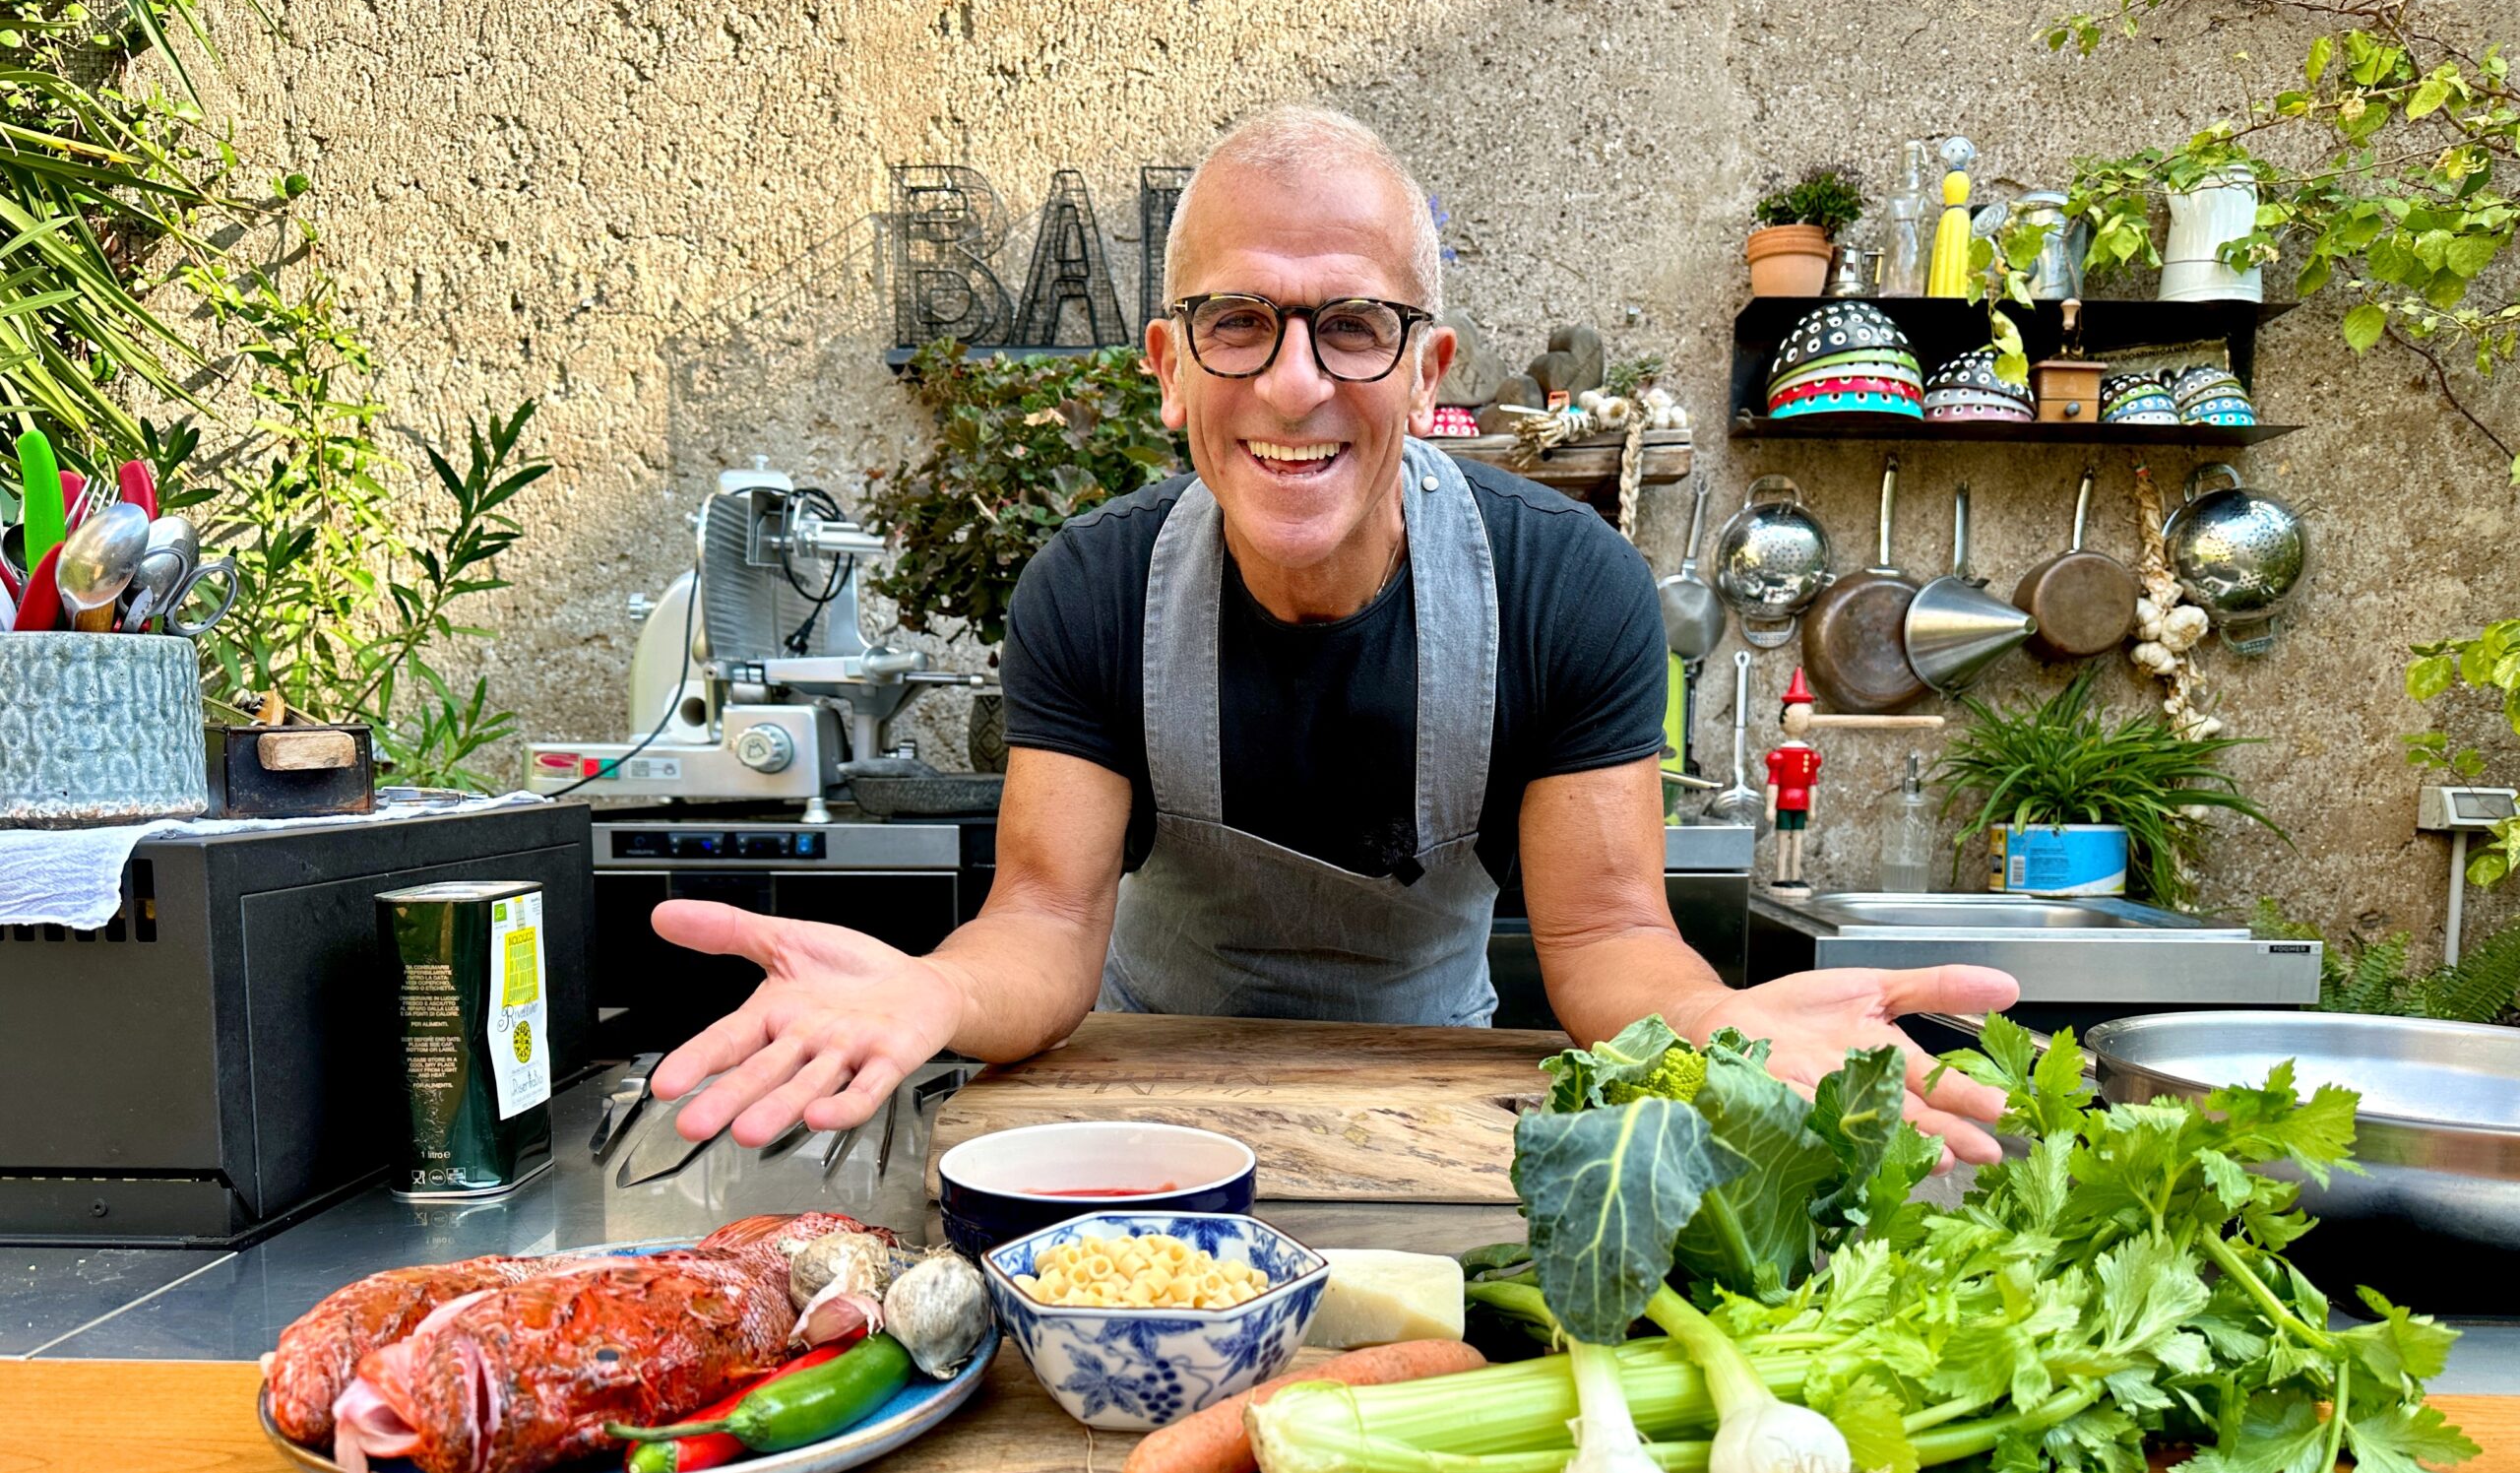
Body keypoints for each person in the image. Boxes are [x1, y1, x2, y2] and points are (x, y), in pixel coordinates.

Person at [647, 105, 2017, 1164]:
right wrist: (934, 997)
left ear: (1425, 373)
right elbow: (1046, 921)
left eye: (1354, 325)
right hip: (1136, 1110)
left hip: (1435, 1114)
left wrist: (1718, 1021)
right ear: (1169, 368)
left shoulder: (1567, 588)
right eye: (1238, 322)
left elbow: (1606, 937)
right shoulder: (1091, 589)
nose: (1294, 385)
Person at [1765, 667, 1822, 894]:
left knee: (1798, 841)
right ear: (1786, 718)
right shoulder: (1779, 756)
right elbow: (1773, 783)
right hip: (1784, 803)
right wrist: (1770, 807)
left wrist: (1813, 808)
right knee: (1782, 841)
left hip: (1801, 802)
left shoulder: (1811, 756)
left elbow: (1813, 784)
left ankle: (1795, 876)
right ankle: (1781, 876)